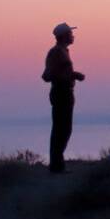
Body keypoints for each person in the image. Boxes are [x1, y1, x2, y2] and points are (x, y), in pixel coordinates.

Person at [41, 23, 85, 173]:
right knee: (61, 130)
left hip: (66, 93)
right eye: (70, 34)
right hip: (61, 94)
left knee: (64, 130)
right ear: (64, 36)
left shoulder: (63, 51)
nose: (73, 36)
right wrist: (72, 75)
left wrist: (72, 75)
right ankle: (56, 167)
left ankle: (57, 165)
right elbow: (47, 76)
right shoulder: (56, 52)